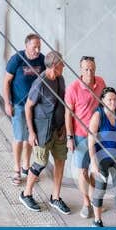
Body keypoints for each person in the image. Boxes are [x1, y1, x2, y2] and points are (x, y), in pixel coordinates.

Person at [21, 51, 70, 214]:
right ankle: (26, 194)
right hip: (42, 130)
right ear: (55, 66)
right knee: (40, 163)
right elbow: (28, 107)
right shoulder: (39, 83)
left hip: (58, 129)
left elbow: (62, 103)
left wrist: (64, 125)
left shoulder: (60, 79)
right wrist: (31, 132)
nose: (64, 66)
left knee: (60, 160)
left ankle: (55, 197)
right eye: (62, 64)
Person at [64, 56, 107, 218]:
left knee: (95, 170)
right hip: (80, 136)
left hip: (98, 135)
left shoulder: (101, 82)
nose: (90, 72)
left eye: (92, 69)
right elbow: (68, 114)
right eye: (86, 69)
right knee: (82, 171)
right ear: (81, 70)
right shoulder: (73, 88)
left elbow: (104, 104)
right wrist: (69, 137)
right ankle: (86, 202)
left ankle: (94, 199)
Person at [4, 34, 47, 185]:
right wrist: (7, 103)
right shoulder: (17, 59)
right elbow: (7, 81)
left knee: (30, 137)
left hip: (35, 106)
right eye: (34, 47)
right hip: (19, 105)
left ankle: (26, 166)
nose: (37, 50)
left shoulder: (42, 60)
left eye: (39, 47)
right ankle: (16, 169)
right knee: (19, 137)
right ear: (26, 45)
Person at [87, 86, 116, 227]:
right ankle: (97, 220)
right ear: (103, 101)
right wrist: (93, 163)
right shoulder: (98, 116)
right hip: (101, 158)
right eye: (109, 99)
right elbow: (90, 143)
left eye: (115, 99)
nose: (113, 102)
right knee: (100, 189)